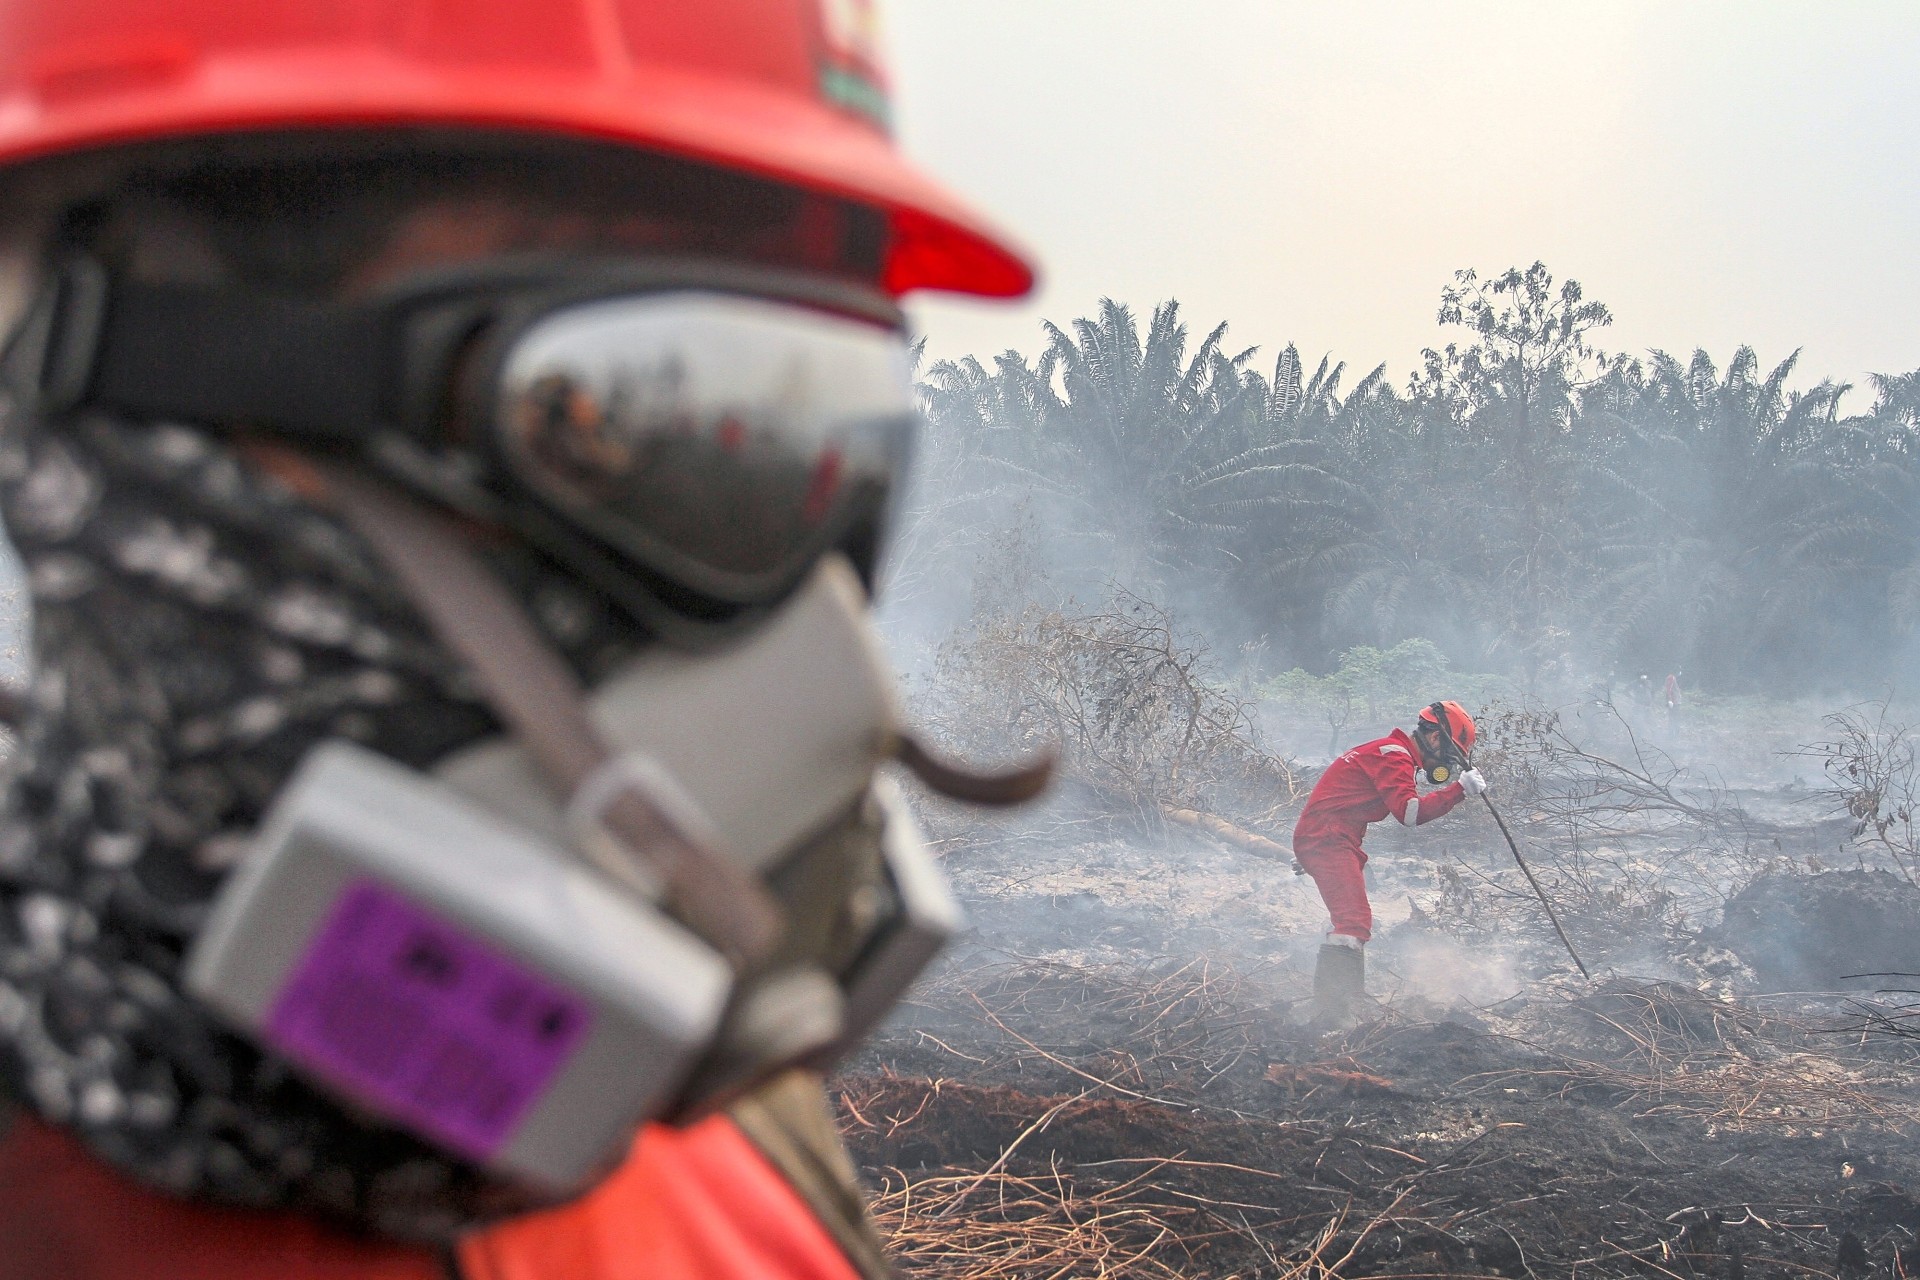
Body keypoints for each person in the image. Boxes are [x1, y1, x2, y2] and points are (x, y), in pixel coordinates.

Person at [0, 2, 1041, 1277]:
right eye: (622, 419)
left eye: (816, 444)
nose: (825, 661)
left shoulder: (738, 1162)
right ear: (101, 418)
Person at [1291, 701, 1487, 1022]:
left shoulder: (1389, 751)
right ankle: (1331, 1016)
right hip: (1328, 839)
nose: (1444, 764)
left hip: (1330, 839)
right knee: (1352, 922)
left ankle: (1342, 1006)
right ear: (1436, 739)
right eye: (1449, 755)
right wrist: (1458, 791)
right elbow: (1409, 813)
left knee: (1350, 919)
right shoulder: (1394, 755)